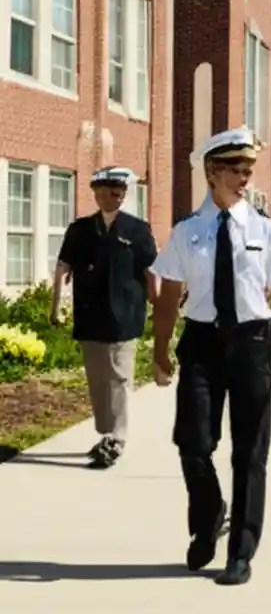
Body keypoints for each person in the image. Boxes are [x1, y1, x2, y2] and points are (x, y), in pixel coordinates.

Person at [149, 128, 271, 585]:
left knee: (250, 452)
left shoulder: (265, 229)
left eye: (249, 171)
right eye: (237, 170)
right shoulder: (187, 231)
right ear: (212, 171)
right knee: (192, 442)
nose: (245, 179)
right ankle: (209, 514)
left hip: (252, 344)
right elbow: (168, 297)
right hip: (200, 344)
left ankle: (241, 551)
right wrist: (160, 350)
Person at [50, 166, 157, 469]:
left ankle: (117, 438)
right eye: (110, 191)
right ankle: (106, 432)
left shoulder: (138, 230)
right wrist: (55, 307)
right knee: (98, 378)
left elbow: (152, 273)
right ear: (96, 194)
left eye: (121, 191)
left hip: (126, 316)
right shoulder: (80, 230)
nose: (117, 196)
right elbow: (62, 268)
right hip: (90, 316)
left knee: (120, 378)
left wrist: (161, 308)